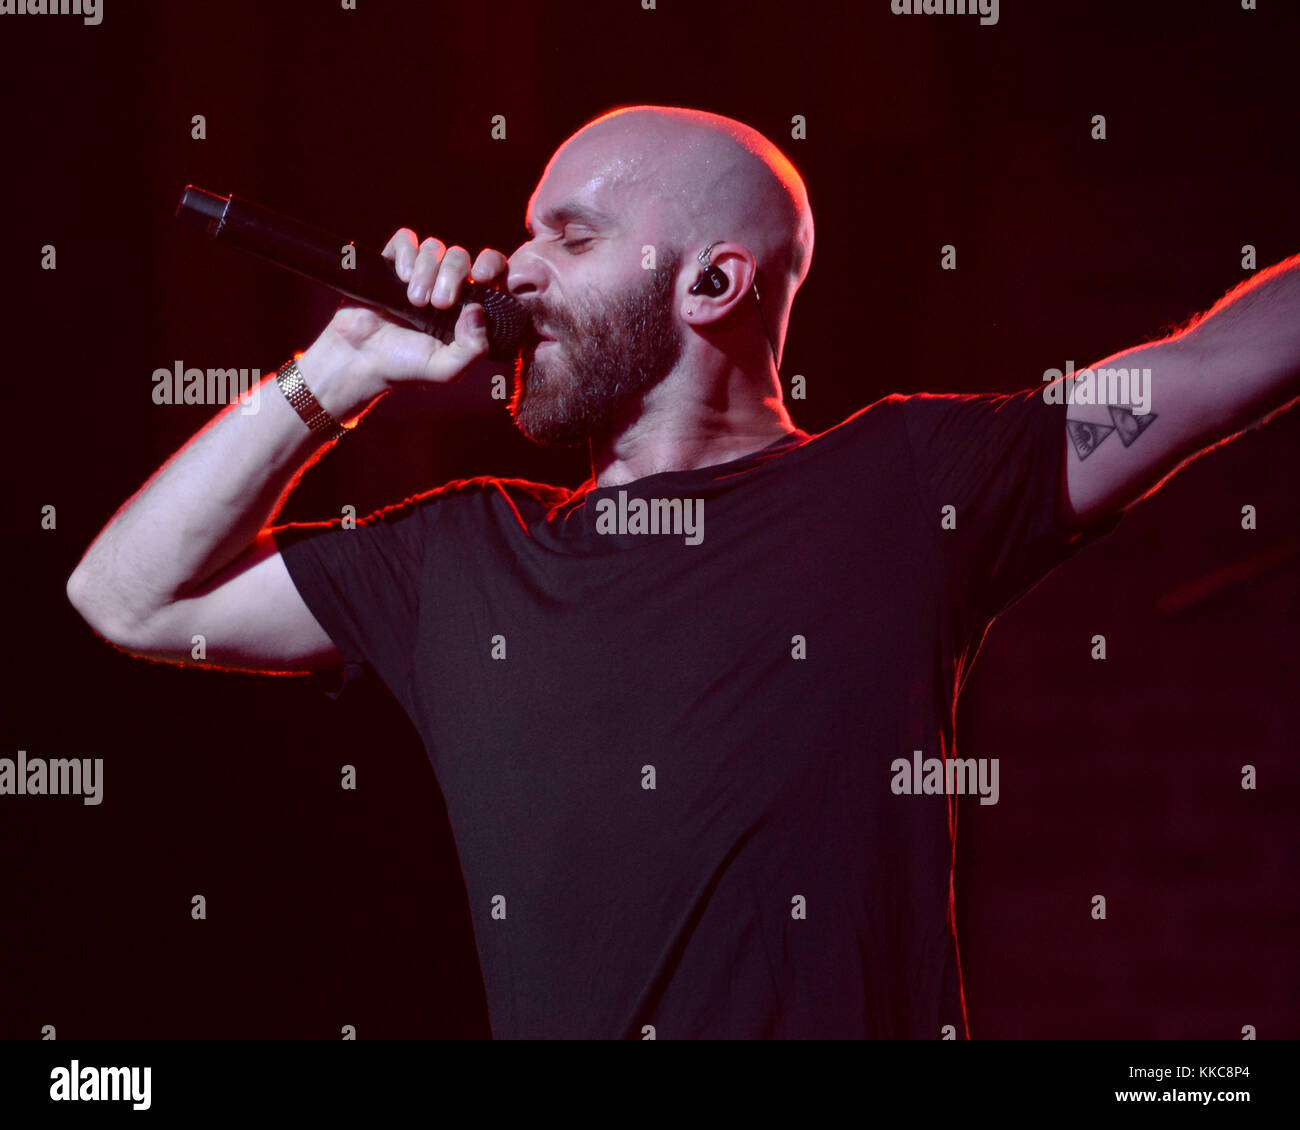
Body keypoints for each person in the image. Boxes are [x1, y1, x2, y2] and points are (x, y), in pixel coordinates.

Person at [66, 105, 1300, 1039]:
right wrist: (331, 377)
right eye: (526, 228)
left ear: (713, 282)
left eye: (572, 233)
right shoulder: (456, 556)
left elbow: (1217, 361)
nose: (514, 266)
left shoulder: (907, 484)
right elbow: (126, 597)